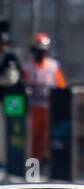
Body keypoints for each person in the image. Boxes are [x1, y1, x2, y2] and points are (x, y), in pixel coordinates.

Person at [24, 33, 66, 163]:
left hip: (50, 106)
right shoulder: (28, 67)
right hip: (34, 106)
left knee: (50, 135)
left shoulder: (53, 66)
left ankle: (49, 161)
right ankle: (34, 165)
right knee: (34, 136)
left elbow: (61, 85)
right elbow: (24, 84)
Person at [0, 32, 23, 171]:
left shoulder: (10, 58)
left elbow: (11, 79)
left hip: (11, 99)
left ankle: (11, 159)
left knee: (11, 130)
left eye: (1, 44)